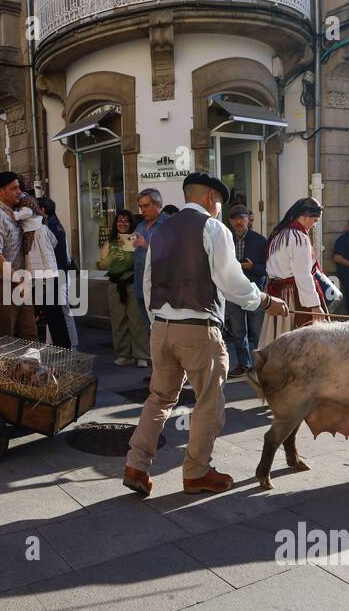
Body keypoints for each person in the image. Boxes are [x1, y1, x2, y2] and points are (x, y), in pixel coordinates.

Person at [123, 172, 287, 498]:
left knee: (159, 398)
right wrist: (266, 301)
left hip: (162, 327)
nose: (220, 210)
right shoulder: (213, 228)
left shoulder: (161, 230)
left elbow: (147, 282)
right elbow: (232, 282)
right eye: (220, 204)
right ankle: (196, 473)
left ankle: (136, 465)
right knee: (208, 403)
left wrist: (158, 320)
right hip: (198, 329)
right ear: (212, 198)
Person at [259, 197, 335, 349]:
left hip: (278, 294)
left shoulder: (278, 235)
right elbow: (303, 275)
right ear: (305, 216)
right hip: (294, 296)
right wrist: (315, 305)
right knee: (300, 342)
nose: (314, 225)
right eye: (314, 220)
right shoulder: (299, 238)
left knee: (276, 338)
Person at [0, 172, 38, 340]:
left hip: (17, 279)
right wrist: (18, 280)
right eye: (14, 188)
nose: (19, 191)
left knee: (29, 331)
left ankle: (30, 367)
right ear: (1, 192)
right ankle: (6, 367)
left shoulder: (12, 213)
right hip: (1, 282)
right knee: (7, 336)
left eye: (19, 187)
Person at [17, 196, 71, 348]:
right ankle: (64, 349)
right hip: (49, 274)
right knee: (55, 316)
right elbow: (55, 244)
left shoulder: (35, 230)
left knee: (50, 315)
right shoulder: (46, 226)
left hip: (41, 277)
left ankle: (62, 349)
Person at [98, 209, 149, 366]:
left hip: (133, 282)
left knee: (137, 320)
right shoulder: (110, 241)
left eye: (126, 221)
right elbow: (102, 264)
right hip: (115, 283)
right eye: (120, 221)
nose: (123, 224)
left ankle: (142, 355)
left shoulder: (136, 239)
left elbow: (135, 261)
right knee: (118, 320)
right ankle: (123, 353)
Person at [224, 204, 267, 377]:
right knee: (238, 332)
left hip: (255, 291)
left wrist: (252, 267)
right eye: (234, 219)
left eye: (241, 218)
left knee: (257, 332)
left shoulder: (260, 240)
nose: (238, 222)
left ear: (248, 219)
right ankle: (243, 364)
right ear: (230, 221)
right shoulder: (225, 239)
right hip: (233, 292)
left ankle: (259, 365)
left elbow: (268, 268)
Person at [38, 196, 78, 348]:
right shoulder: (56, 224)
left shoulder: (49, 226)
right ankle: (54, 343)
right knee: (56, 310)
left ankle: (71, 345)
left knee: (61, 310)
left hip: (57, 273)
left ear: (42, 209)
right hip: (61, 272)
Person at [131, 189, 168, 337]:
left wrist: (146, 245)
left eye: (146, 206)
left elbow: (169, 256)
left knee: (161, 329)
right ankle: (154, 359)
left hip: (158, 287)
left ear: (158, 205)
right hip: (140, 284)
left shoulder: (167, 225)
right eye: (140, 207)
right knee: (149, 329)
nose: (142, 210)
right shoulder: (140, 225)